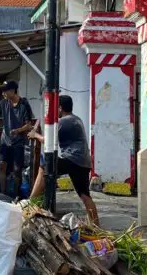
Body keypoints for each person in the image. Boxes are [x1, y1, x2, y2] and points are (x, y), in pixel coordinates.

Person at [29, 95, 99, 225]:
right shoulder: (77, 119)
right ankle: (96, 226)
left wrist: (35, 135)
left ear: (60, 108)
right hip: (84, 162)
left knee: (45, 165)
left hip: (73, 160)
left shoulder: (64, 121)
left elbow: (48, 140)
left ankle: (31, 201)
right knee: (85, 196)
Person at [0, 80, 34, 197]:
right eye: (2, 91)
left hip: (18, 142)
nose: (3, 93)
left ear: (13, 90)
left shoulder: (24, 104)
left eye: (5, 90)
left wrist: (18, 130)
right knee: (1, 165)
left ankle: (15, 195)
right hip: (5, 141)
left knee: (16, 170)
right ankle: (3, 193)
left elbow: (29, 125)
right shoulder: (3, 103)